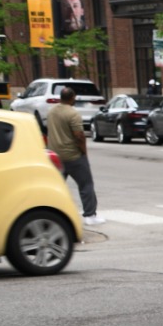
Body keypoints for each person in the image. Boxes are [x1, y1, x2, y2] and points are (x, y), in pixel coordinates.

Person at [46, 85, 103, 227]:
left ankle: (50, 214)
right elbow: (79, 136)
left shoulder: (51, 112)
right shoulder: (73, 114)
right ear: (72, 98)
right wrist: (83, 152)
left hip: (55, 156)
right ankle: (90, 215)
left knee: (56, 187)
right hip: (73, 156)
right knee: (86, 185)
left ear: (61, 98)